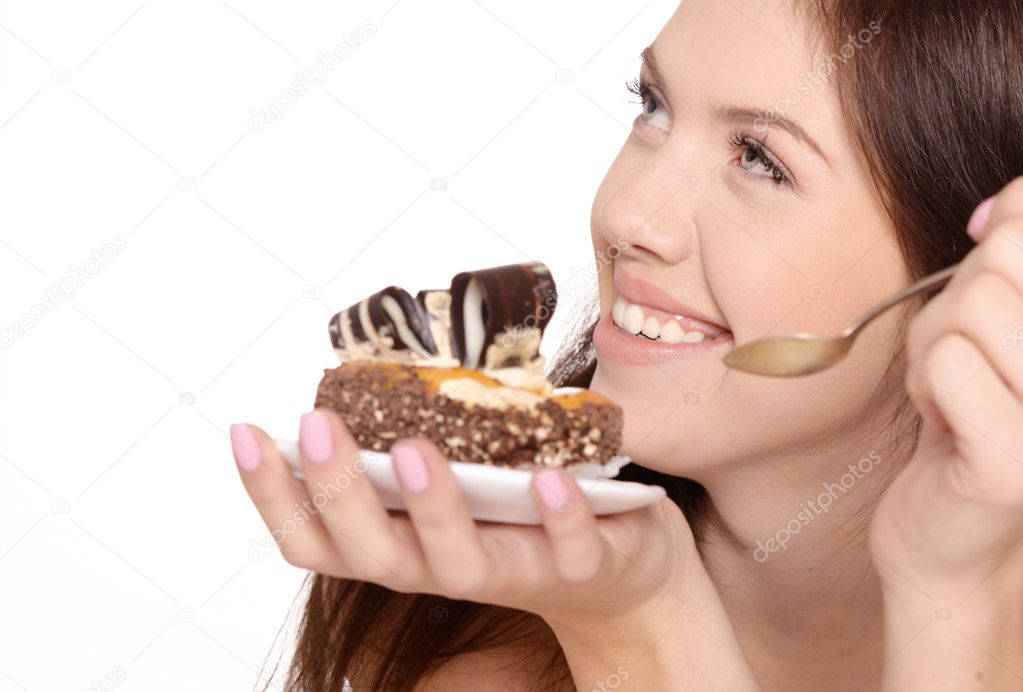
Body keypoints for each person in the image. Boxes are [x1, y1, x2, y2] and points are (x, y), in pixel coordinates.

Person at [230, 0, 1023, 689]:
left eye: (758, 159)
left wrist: (948, 600)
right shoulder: (461, 619)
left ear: (977, 278)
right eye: (653, 106)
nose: (625, 214)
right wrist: (637, 612)